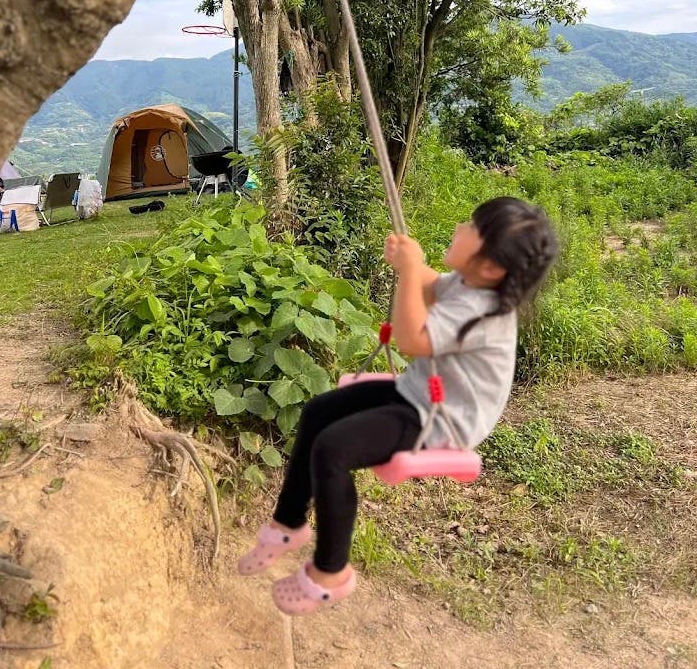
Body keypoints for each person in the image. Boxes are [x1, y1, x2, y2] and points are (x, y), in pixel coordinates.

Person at [237, 197, 558, 615]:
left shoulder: (484, 313)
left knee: (333, 450)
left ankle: (331, 571)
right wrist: (409, 265)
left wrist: (408, 270)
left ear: (492, 267)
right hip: (416, 392)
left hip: (442, 420)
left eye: (472, 227)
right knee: (319, 412)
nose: (460, 225)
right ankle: (288, 524)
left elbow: (412, 340)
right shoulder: (468, 284)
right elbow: (426, 286)